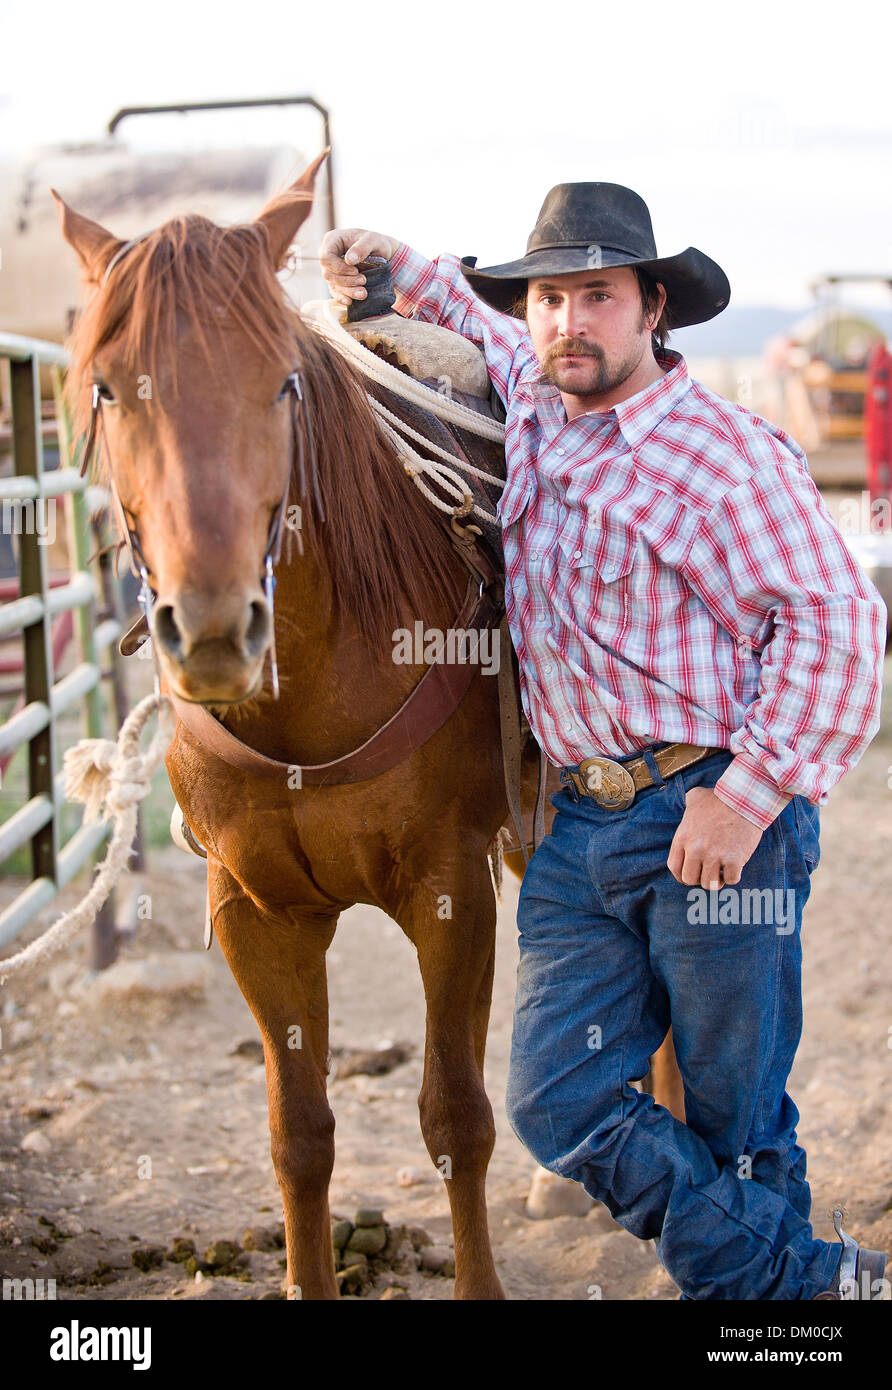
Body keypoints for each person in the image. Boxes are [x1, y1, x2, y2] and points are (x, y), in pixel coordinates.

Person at [320, 182, 888, 1300]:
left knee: (731, 1104)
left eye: (596, 296)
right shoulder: (535, 398)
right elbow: (473, 321)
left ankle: (775, 1304)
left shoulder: (723, 457)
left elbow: (837, 620)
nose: (566, 320)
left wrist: (752, 793)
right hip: (578, 823)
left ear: (652, 309)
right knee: (551, 1095)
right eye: (547, 299)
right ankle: (811, 1281)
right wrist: (395, 256)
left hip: (711, 807)